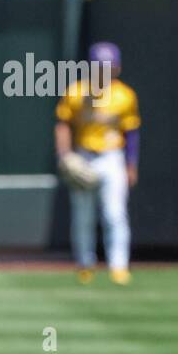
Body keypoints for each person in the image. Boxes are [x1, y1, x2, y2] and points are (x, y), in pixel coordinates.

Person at [55, 42, 140, 286]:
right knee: (83, 216)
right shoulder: (76, 92)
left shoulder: (125, 95)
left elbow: (132, 132)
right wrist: (64, 155)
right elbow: (63, 123)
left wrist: (131, 165)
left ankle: (119, 267)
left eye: (108, 67)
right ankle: (85, 265)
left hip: (112, 156)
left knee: (114, 214)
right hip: (84, 156)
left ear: (117, 68)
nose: (103, 71)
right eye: (98, 67)